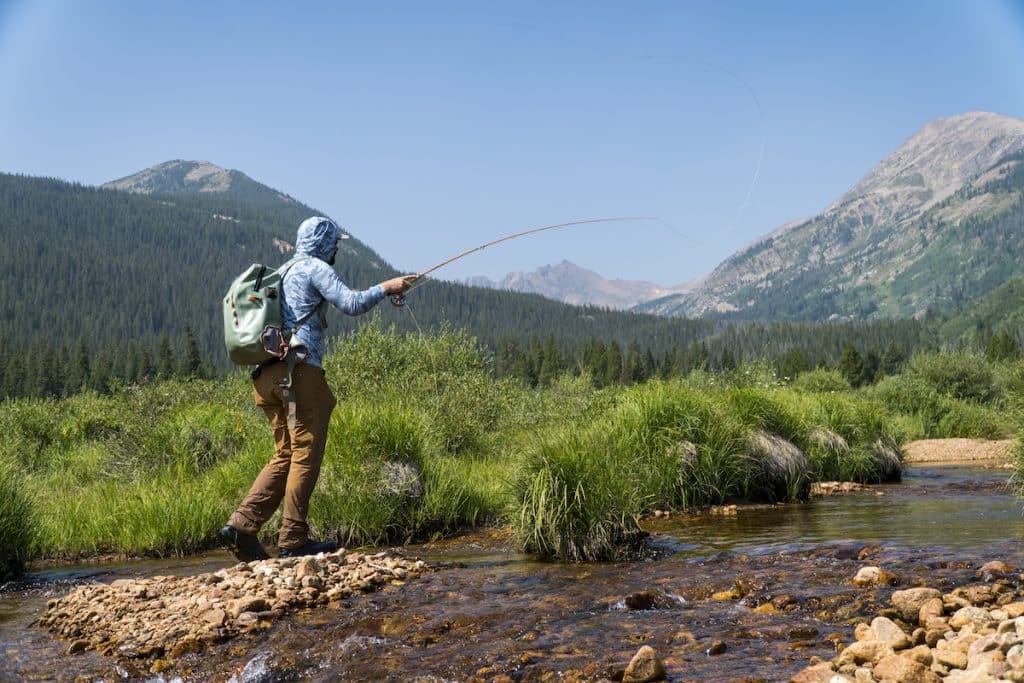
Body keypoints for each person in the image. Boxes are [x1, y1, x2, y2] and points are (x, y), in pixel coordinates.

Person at [218, 216, 415, 561]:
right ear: (325, 244)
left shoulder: (280, 273)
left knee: (285, 454)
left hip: (266, 376)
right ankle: (293, 540)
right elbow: (351, 304)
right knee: (305, 453)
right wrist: (388, 287)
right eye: (334, 243)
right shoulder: (314, 268)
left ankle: (242, 527)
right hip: (300, 371)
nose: (336, 248)